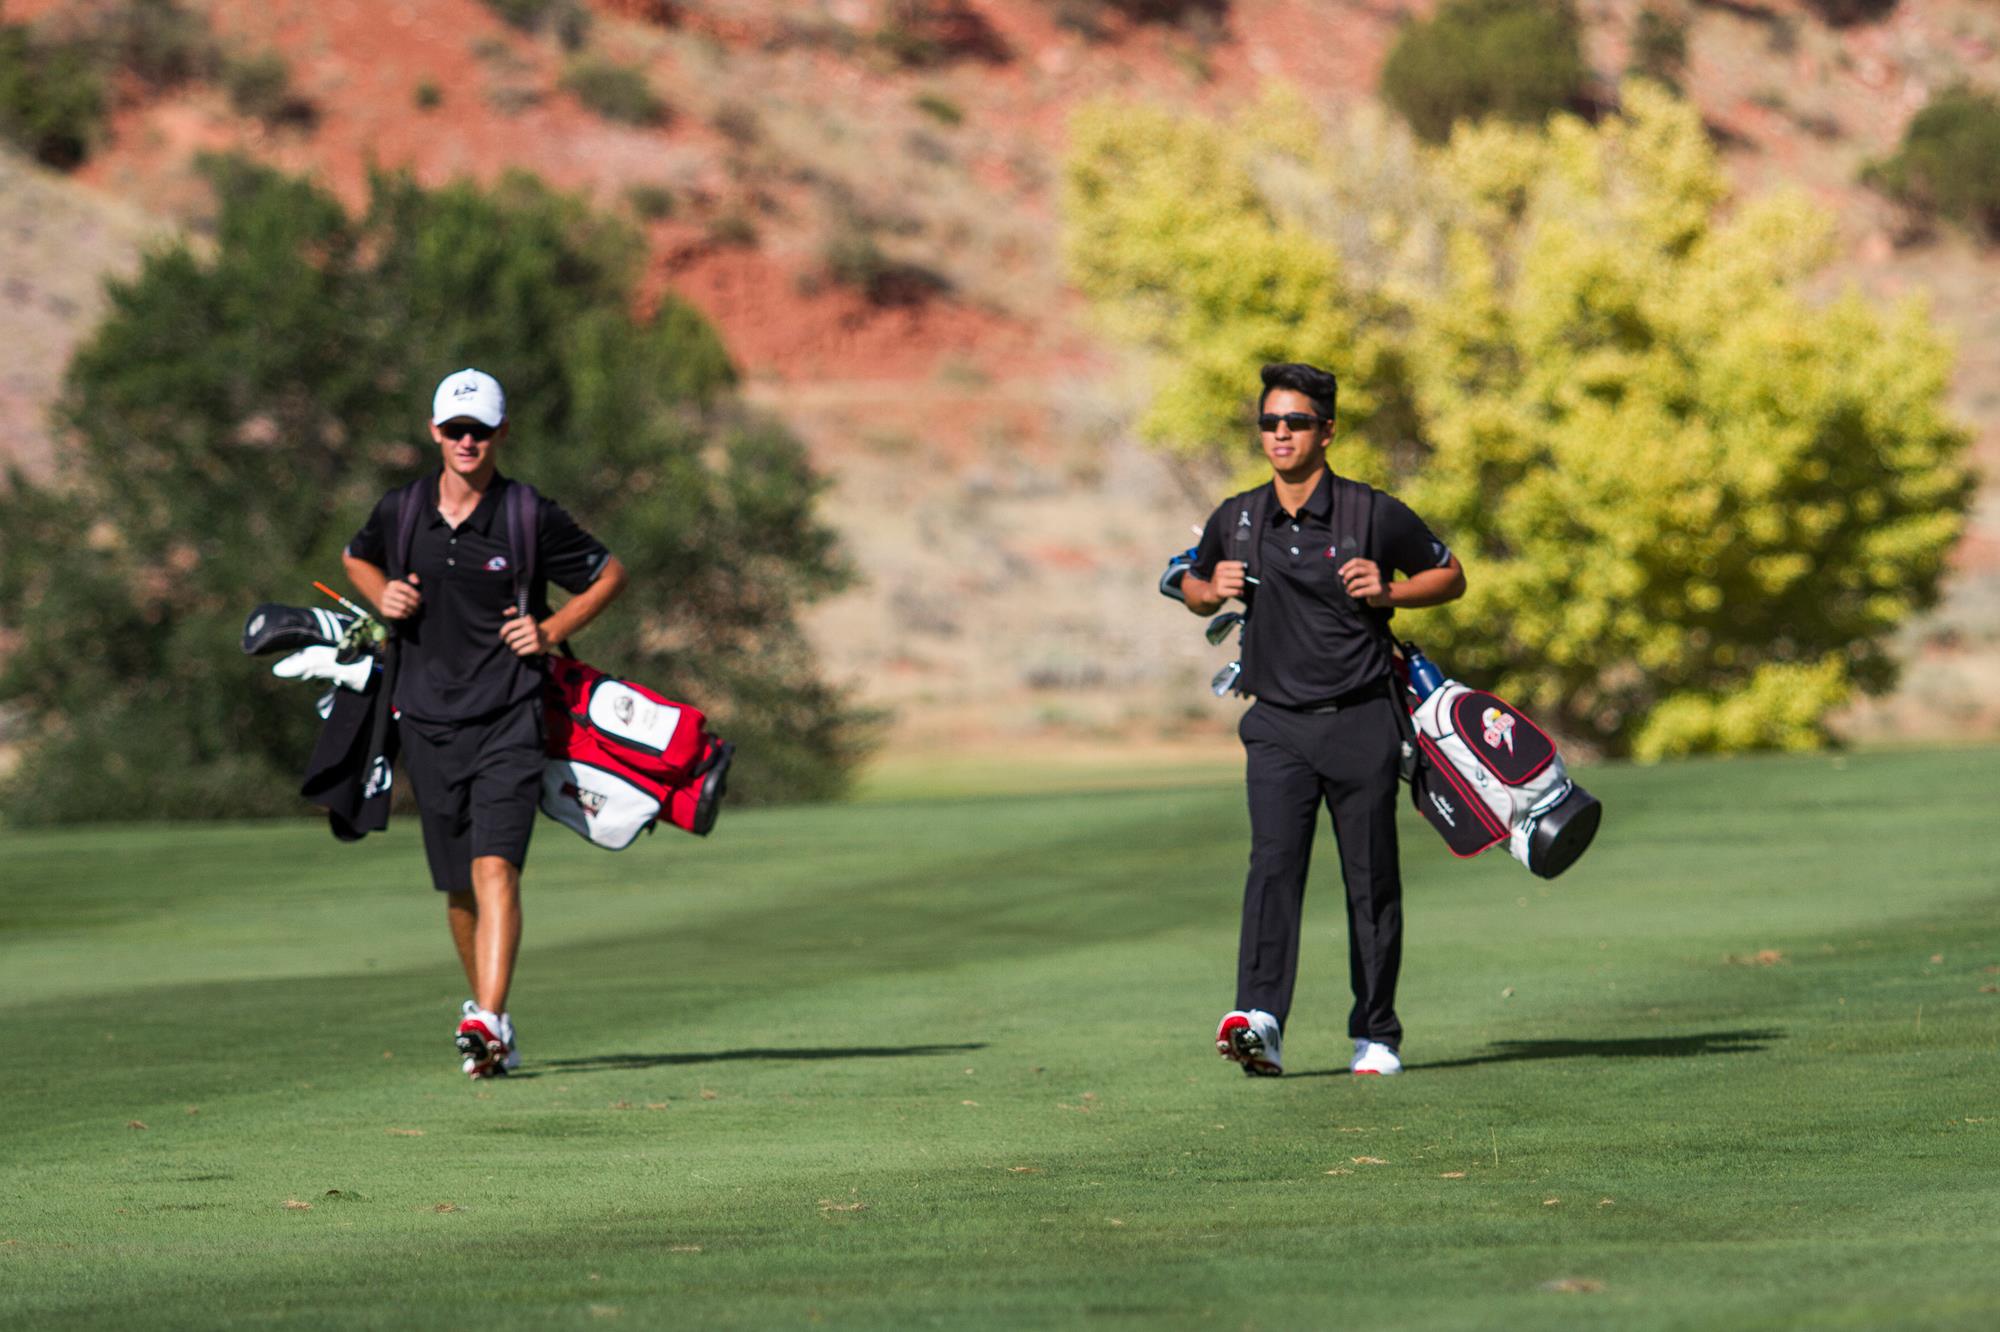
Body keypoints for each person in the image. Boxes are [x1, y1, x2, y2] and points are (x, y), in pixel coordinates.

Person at [1180, 362, 1466, 1077]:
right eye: (1270, 422)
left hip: (1362, 718)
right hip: (1277, 725)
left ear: (1327, 431)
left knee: (1371, 880)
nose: (1281, 433)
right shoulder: (1239, 517)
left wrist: (1389, 591)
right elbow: (1188, 582)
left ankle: (1377, 1033)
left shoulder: (1372, 513)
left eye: (1297, 422)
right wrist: (1209, 590)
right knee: (1272, 870)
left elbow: (1450, 575)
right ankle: (1261, 1022)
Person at [342, 369, 628, 1079]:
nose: (466, 441)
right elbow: (356, 556)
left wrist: (552, 628)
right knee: (458, 887)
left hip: (511, 714)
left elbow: (608, 574)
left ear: (500, 433)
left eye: (479, 430)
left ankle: (488, 1020)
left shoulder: (527, 513)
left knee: (496, 864)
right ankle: (489, 1018)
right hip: (425, 719)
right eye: (454, 429)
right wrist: (385, 594)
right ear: (434, 432)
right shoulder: (403, 510)